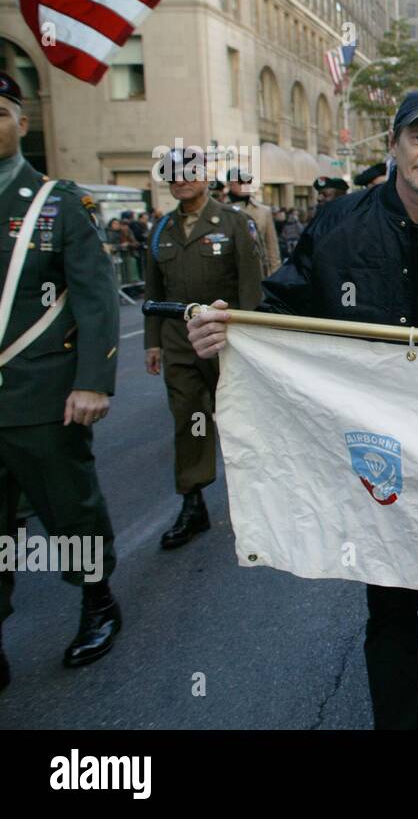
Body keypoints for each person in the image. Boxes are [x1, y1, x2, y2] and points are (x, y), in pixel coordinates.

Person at [187, 90, 418, 731]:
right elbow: (283, 310)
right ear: (394, 144)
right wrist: (230, 330)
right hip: (380, 448)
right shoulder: (339, 225)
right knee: (391, 596)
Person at [0, 71, 123, 686]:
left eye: (0, 111)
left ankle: (97, 598)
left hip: (43, 395)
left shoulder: (56, 202)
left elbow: (96, 298)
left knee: (68, 511)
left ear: (22, 122)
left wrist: (93, 381)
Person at [144, 150, 263, 549]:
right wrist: (153, 343)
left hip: (227, 343)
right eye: (173, 175)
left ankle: (258, 496)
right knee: (189, 420)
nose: (181, 180)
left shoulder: (235, 223)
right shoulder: (161, 229)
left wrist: (252, 341)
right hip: (180, 344)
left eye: (189, 172)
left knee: (239, 419)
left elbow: (251, 287)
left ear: (205, 177)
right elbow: (153, 293)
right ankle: (192, 504)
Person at [227, 169, 280, 277]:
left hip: (258, 273)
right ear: (230, 184)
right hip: (230, 274)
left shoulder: (264, 211)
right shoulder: (222, 210)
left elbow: (272, 246)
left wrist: (275, 274)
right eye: (241, 182)